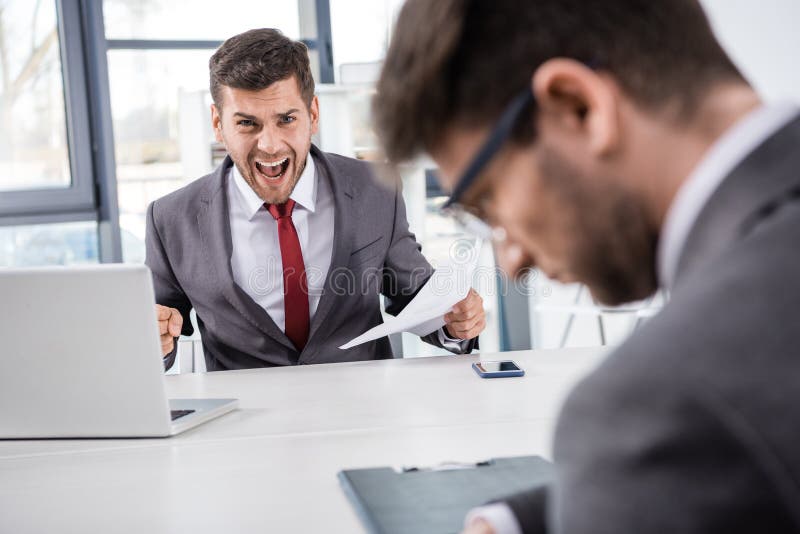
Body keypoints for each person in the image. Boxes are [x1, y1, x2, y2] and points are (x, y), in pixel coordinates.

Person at [373, 0, 800, 533]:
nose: (511, 260)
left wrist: (615, 472)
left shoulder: (655, 405)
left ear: (578, 107)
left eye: (489, 203)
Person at [146, 28, 484, 371]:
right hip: (246, 418)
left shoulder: (375, 190)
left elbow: (417, 298)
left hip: (365, 412)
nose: (270, 144)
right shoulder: (171, 219)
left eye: (287, 120)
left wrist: (455, 323)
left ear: (313, 115)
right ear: (218, 124)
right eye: (247, 123)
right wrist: (153, 341)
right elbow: (153, 332)